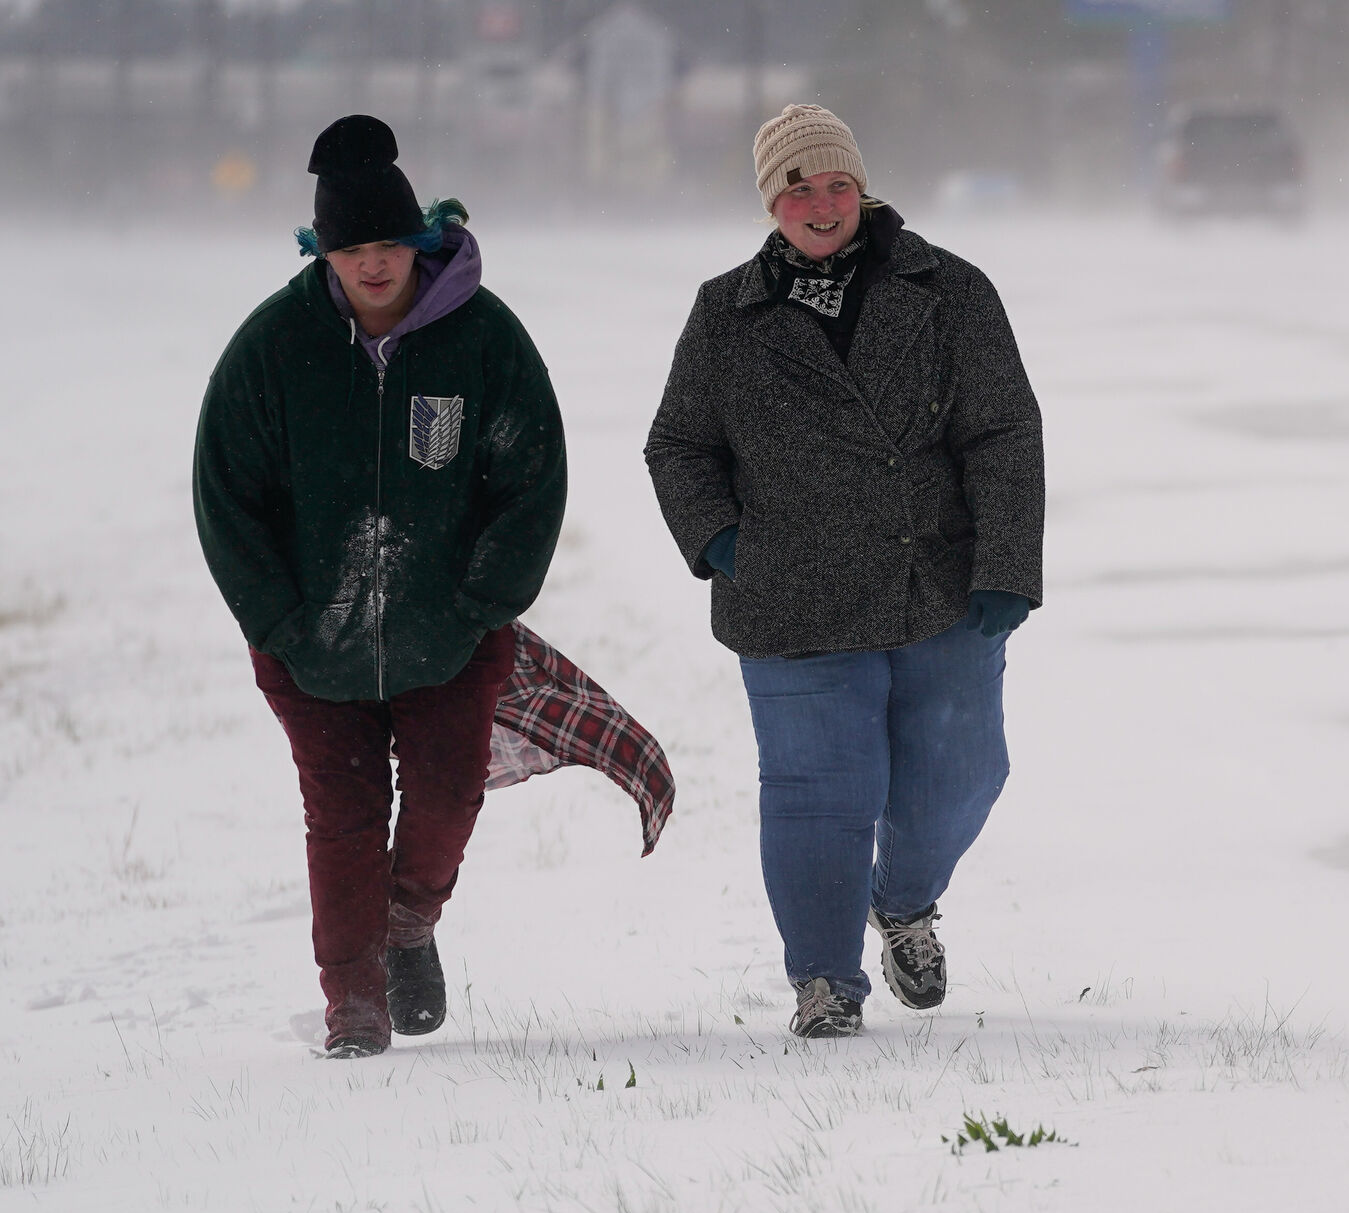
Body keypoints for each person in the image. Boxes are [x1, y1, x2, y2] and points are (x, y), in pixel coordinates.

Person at [646, 104, 1045, 1038]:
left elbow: (1003, 431)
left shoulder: (949, 291)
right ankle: (825, 981)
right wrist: (724, 544)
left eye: (837, 185)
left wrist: (1006, 563)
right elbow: (679, 445)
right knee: (817, 794)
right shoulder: (726, 312)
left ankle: (901, 904)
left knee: (962, 773)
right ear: (771, 204)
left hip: (937, 583)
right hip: (791, 595)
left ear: (861, 190)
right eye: (799, 190)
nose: (821, 205)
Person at [194, 115, 568, 1057]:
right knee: (343, 820)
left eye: (389, 243)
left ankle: (409, 920)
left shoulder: (482, 338)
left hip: (451, 635)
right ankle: (353, 1003)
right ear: (322, 250)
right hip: (309, 644)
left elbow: (532, 475)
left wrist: (482, 603)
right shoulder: (274, 346)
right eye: (351, 247)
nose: (373, 263)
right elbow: (225, 493)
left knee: (447, 798)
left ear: (419, 238)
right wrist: (279, 620)